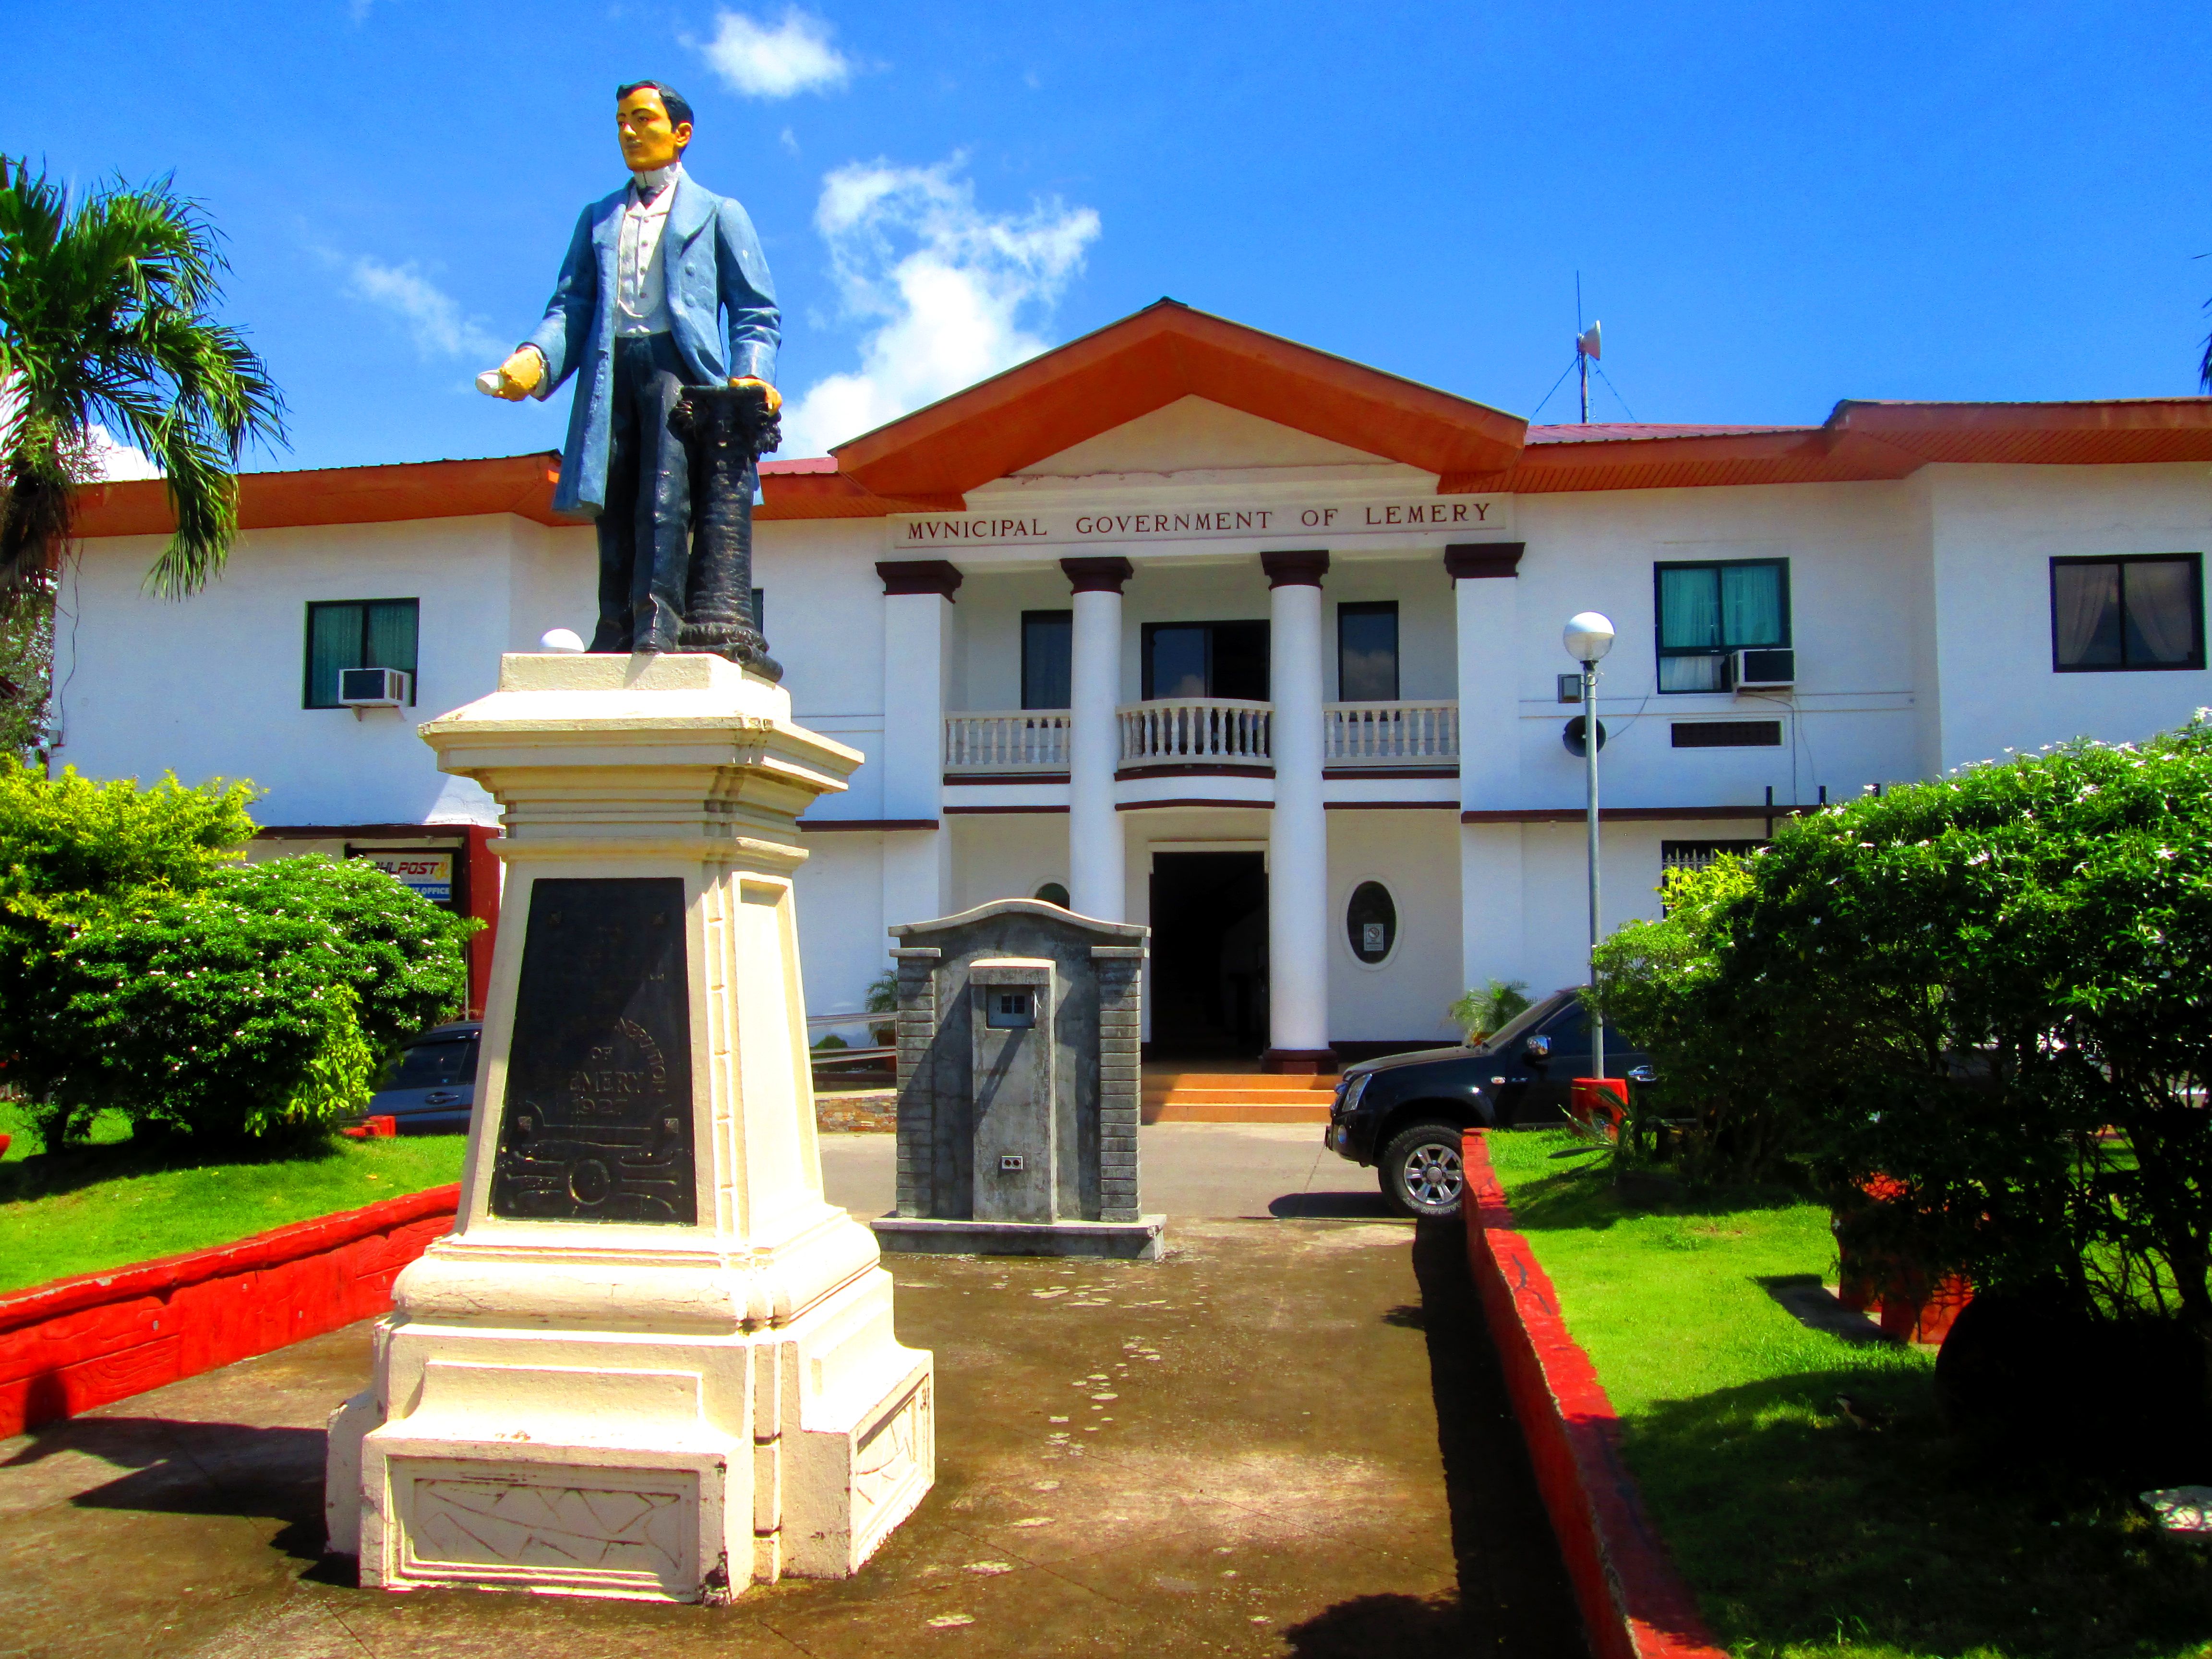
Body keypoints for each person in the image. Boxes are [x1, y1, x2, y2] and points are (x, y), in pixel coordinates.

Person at [486, 81, 780, 654]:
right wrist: (535, 359)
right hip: (610, 368)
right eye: (621, 120)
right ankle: (615, 623)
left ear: (681, 134)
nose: (629, 131)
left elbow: (756, 309)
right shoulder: (598, 218)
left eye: (643, 119)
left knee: (665, 496)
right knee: (614, 495)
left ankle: (658, 624)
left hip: (681, 369)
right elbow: (572, 305)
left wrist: (752, 373)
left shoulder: (720, 213)